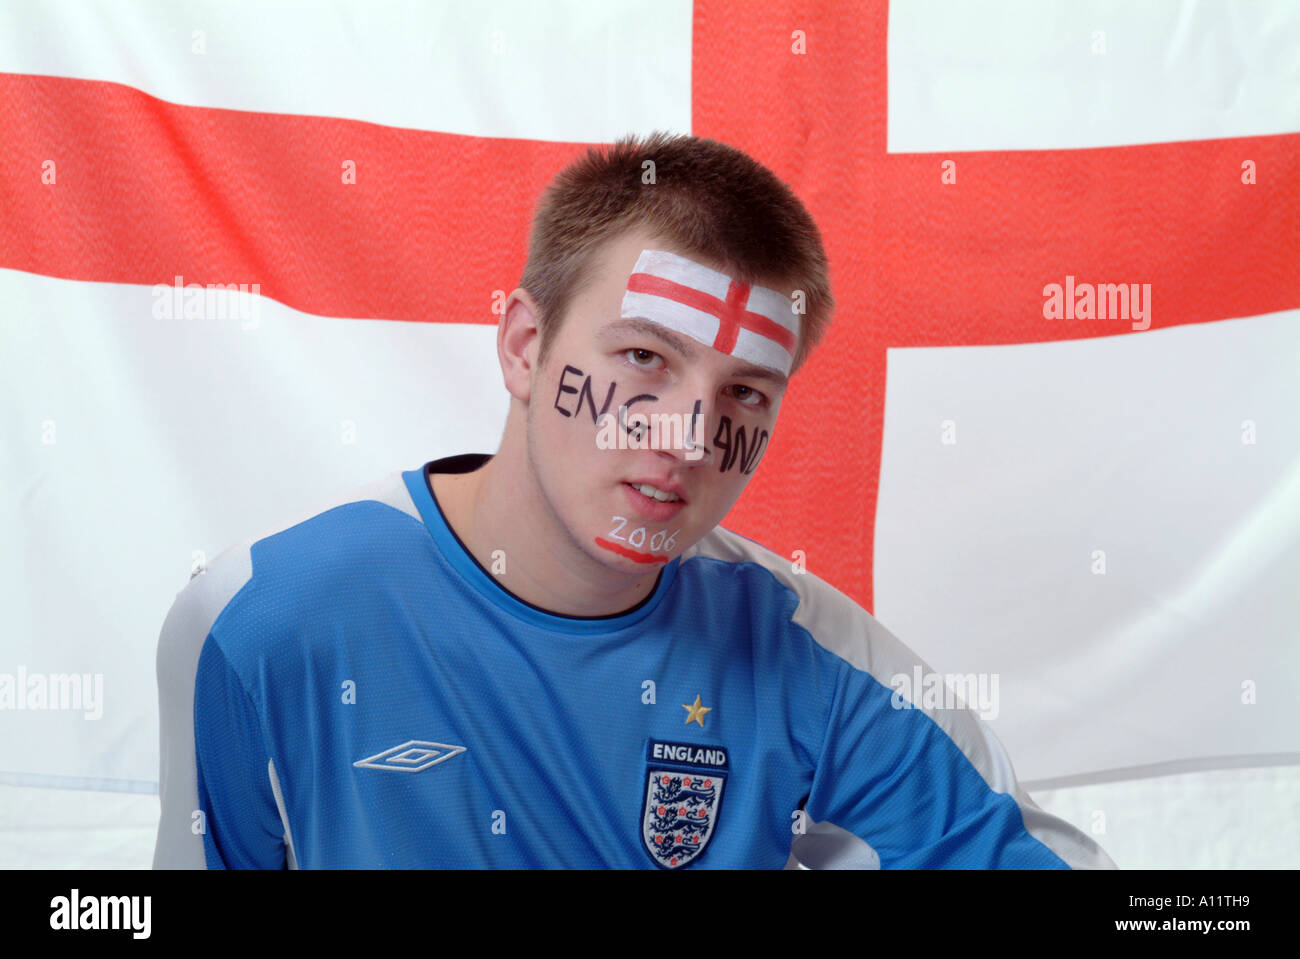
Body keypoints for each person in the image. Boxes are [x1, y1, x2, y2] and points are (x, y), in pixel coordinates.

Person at [153, 131, 1116, 870]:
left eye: (744, 392)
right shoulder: (260, 618)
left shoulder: (807, 657)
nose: (690, 435)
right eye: (646, 358)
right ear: (526, 347)